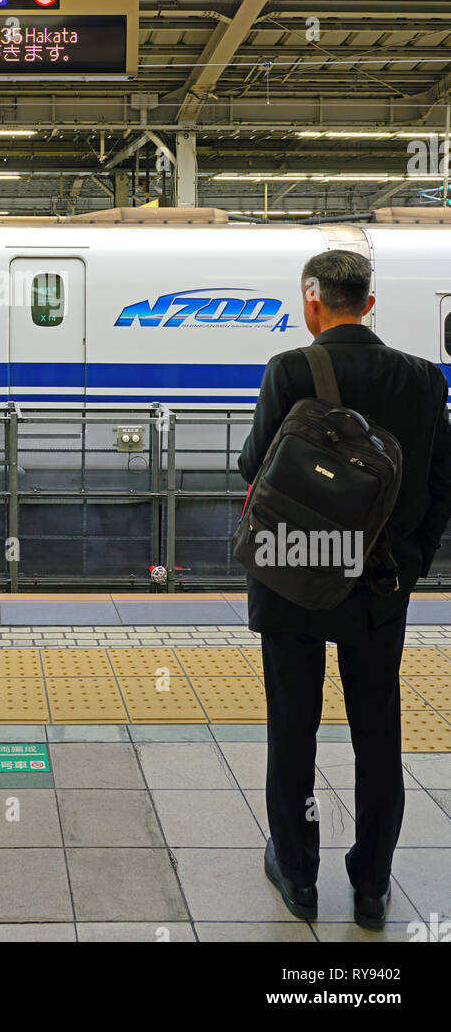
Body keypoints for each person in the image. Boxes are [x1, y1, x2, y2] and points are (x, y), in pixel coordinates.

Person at [238, 248, 451, 930]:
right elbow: (442, 482)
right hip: (381, 583)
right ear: (370, 302)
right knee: (377, 731)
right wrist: (412, 560)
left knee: (293, 730)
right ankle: (372, 887)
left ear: (313, 301)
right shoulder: (424, 379)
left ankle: (299, 876)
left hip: (293, 572)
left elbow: (253, 464)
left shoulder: (291, 370)